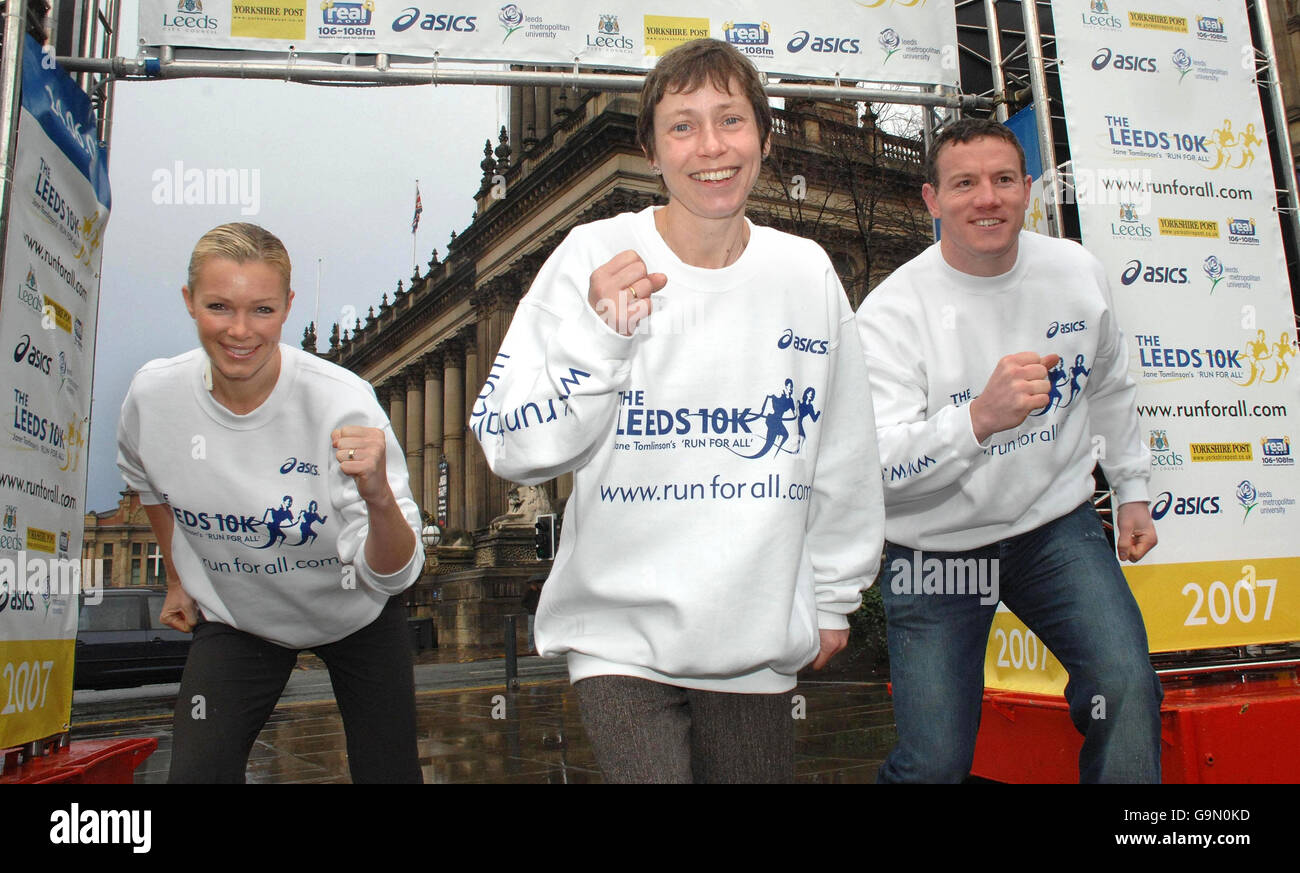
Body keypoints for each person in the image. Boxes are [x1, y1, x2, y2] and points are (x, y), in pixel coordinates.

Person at [471, 38, 883, 783]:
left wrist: (832, 595)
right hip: (619, 634)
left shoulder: (805, 272)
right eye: (683, 125)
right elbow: (509, 442)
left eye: (730, 120)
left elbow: (844, 447)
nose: (710, 147)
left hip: (752, 638)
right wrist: (598, 339)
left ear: (763, 134)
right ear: (653, 151)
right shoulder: (591, 253)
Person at [856, 117, 1163, 784]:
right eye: (964, 183)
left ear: (1028, 190)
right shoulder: (890, 314)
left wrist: (1132, 488)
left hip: (1054, 528)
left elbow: (1109, 383)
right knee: (935, 762)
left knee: (1127, 689)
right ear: (932, 200)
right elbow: (876, 467)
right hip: (936, 549)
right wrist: (977, 419)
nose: (986, 198)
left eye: (1002, 180)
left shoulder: (1076, 271)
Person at [116, 222, 424, 783]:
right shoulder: (152, 396)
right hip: (242, 622)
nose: (239, 331)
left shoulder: (341, 402)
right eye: (218, 306)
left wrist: (379, 498)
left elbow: (396, 575)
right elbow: (146, 481)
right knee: (196, 774)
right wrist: (179, 579)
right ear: (189, 303)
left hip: (357, 613)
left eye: (261, 309)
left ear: (287, 308)